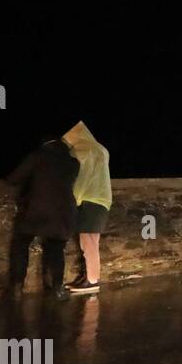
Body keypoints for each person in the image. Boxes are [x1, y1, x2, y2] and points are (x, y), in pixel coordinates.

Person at [5, 136, 80, 301]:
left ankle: (17, 288)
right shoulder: (73, 163)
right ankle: (57, 289)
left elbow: (13, 179)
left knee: (20, 244)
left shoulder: (37, 156)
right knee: (56, 248)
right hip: (63, 213)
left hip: (36, 211)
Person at [62, 121, 112, 295]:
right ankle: (89, 277)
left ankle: (91, 281)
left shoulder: (85, 149)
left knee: (87, 241)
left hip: (90, 199)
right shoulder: (99, 149)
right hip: (101, 199)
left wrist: (73, 198)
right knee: (91, 241)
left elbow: (82, 178)